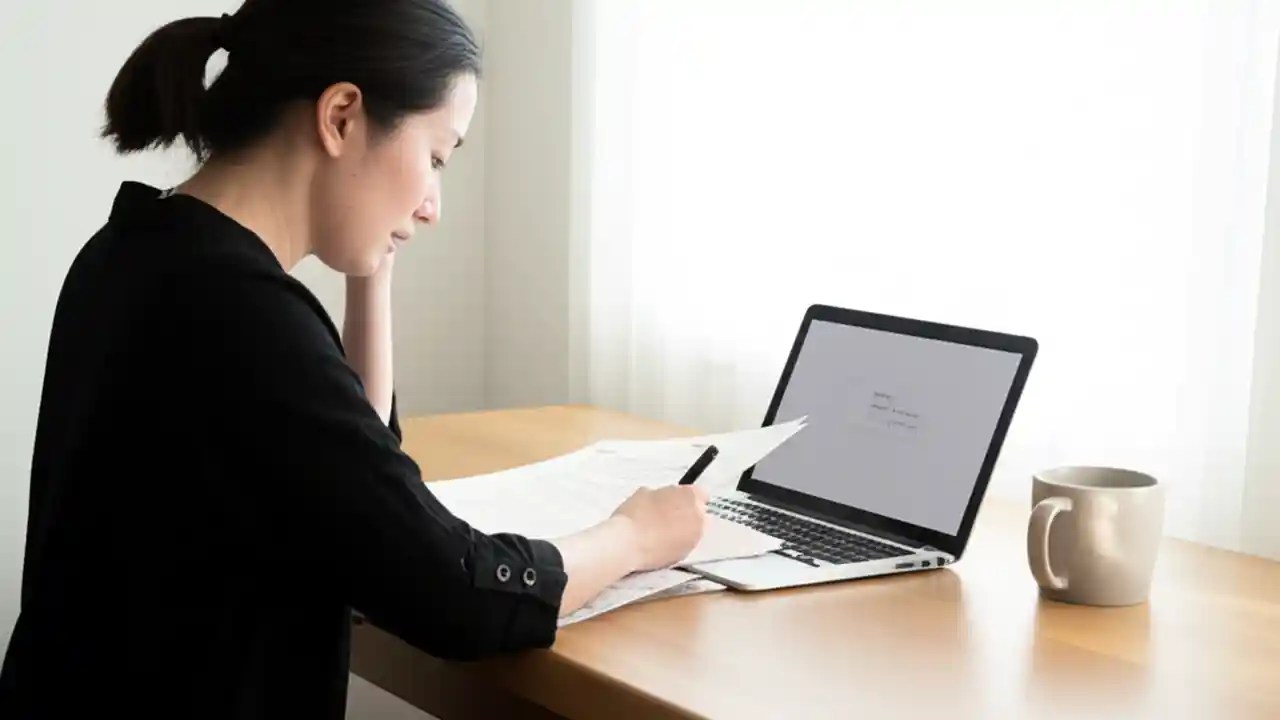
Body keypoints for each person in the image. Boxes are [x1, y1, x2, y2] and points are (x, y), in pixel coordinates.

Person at [0, 1, 708, 717]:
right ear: (340, 117)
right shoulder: (240, 313)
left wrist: (373, 270)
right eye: (435, 157)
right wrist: (634, 535)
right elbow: (456, 595)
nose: (432, 206)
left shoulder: (138, 249)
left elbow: (353, 486)